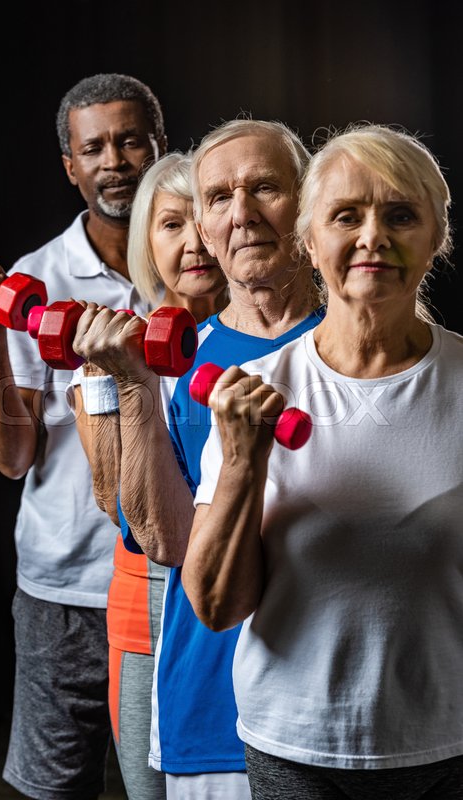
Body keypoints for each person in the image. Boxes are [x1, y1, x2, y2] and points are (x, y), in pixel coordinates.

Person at [185, 123, 463, 800]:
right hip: (294, 745)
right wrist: (245, 463)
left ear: (435, 238)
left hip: (447, 745)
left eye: (400, 215)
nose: (373, 237)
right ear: (310, 240)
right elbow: (217, 606)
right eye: (347, 216)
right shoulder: (255, 390)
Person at [73, 118, 325, 799]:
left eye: (265, 188)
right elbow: (163, 540)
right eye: (219, 199)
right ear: (207, 230)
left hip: (346, 710)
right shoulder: (181, 368)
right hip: (212, 711)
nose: (241, 215)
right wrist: (131, 385)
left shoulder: (358, 348)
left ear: (308, 203)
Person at [0, 73, 167, 800]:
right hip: (64, 586)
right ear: (70, 167)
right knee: (53, 789)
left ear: (159, 148)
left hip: (175, 580)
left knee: (172, 785)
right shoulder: (35, 278)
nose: (114, 161)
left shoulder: (199, 268)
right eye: (93, 147)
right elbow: (12, 460)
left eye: (130, 140)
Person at [69, 150, 228, 800]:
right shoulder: (109, 346)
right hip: (150, 599)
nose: (194, 243)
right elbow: (116, 502)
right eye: (170, 224)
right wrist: (117, 377)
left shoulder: (280, 342)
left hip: (251, 592)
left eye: (204, 219)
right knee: (152, 788)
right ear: (146, 242)